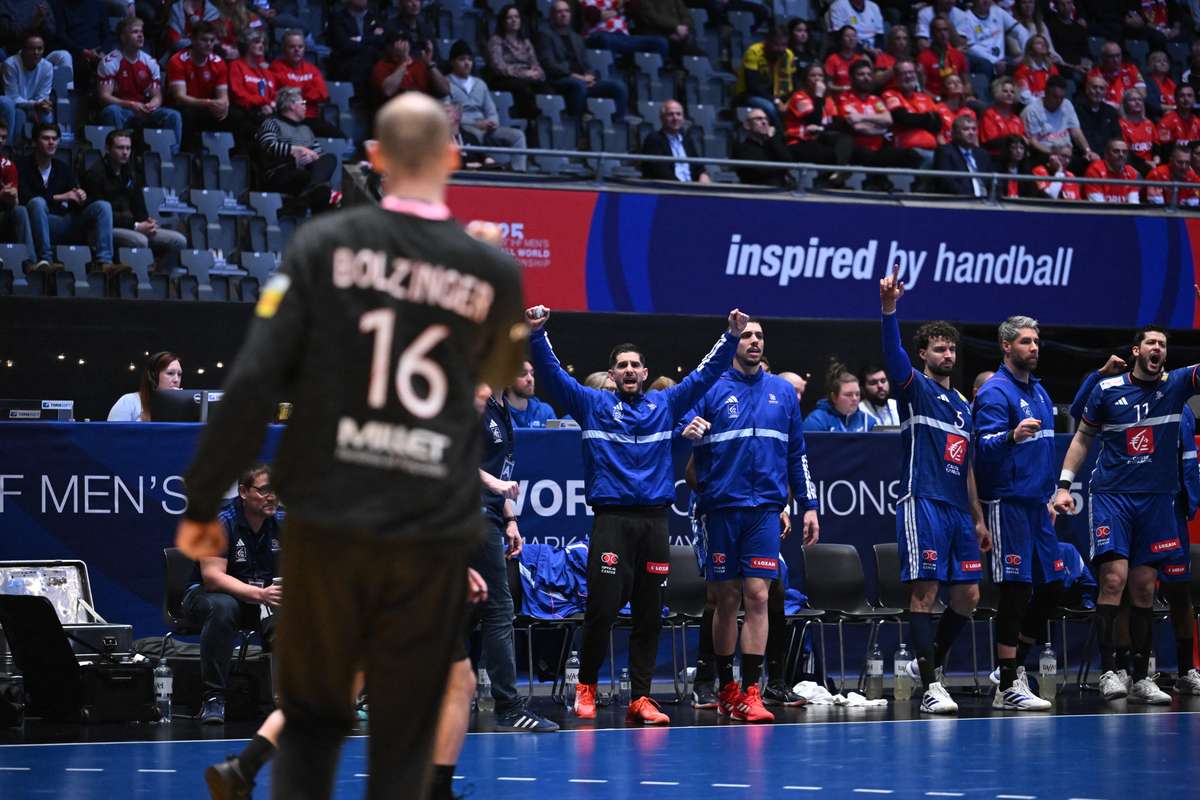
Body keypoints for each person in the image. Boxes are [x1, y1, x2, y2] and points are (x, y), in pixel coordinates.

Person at [174, 91, 527, 800]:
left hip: (328, 522)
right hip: (425, 537)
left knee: (311, 720)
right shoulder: (492, 271)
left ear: (372, 159)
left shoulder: (318, 248)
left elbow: (249, 389)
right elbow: (469, 418)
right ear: (454, 159)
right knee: (402, 735)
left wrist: (203, 505)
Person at [525, 302, 748, 725]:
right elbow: (553, 376)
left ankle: (641, 697)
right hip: (611, 522)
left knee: (650, 613)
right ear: (612, 375)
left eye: (635, 365)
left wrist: (732, 337)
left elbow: (703, 376)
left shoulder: (665, 404)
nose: (629, 370)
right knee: (603, 610)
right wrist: (537, 335)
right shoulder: (591, 404)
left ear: (645, 373)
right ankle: (587, 686)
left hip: (654, 523)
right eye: (621, 365)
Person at [680, 319, 820, 723]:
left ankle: (752, 691)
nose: (754, 341)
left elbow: (797, 455)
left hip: (765, 511)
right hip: (722, 509)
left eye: (759, 336)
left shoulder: (782, 392)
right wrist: (686, 427)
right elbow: (674, 416)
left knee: (759, 595)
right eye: (747, 336)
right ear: (732, 343)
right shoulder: (710, 387)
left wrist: (807, 505)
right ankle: (726, 686)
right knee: (727, 599)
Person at [1052, 324, 1197, 705]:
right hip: (1112, 496)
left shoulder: (1177, 385)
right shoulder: (1106, 389)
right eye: (1151, 343)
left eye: (1163, 345)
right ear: (1136, 351)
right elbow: (1083, 438)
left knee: (1145, 587)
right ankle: (1108, 672)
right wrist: (1064, 485)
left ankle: (1139, 677)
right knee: (1113, 580)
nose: (1158, 349)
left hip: (1156, 500)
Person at [880, 265, 990, 715]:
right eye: (938, 348)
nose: (946, 354)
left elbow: (966, 467)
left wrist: (978, 517)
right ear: (923, 353)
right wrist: (889, 310)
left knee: (968, 596)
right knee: (924, 592)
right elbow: (892, 358)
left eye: (951, 349)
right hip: (921, 500)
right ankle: (930, 686)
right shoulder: (914, 389)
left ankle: (929, 667)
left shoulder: (964, 406)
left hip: (957, 510)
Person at [972, 317, 1060, 711]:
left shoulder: (1039, 391)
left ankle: (1011, 670)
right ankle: (1008, 684)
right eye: (1026, 342)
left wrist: (1052, 495)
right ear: (1006, 346)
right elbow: (982, 447)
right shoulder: (994, 392)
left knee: (1054, 584)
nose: (1034, 347)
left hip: (1038, 506)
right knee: (1016, 589)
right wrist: (1010, 435)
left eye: (1037, 341)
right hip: (1008, 502)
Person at [472, 383, 560, 731]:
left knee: (468, 608)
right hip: (467, 514)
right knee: (498, 608)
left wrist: (510, 518)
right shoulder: (475, 395)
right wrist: (491, 486)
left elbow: (501, 468)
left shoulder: (501, 403)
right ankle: (509, 706)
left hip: (490, 515)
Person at [182, 463, 284, 724]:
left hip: (256, 599)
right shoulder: (220, 522)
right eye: (264, 491)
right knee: (224, 607)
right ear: (243, 492)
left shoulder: (281, 523)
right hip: (205, 598)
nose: (272, 496)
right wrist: (260, 595)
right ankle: (213, 698)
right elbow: (213, 578)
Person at [18, 123, 122, 275]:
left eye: (55, 138)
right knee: (37, 203)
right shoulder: (23, 166)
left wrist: (81, 197)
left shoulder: (63, 168)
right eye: (46, 138)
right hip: (40, 222)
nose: (51, 142)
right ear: (35, 142)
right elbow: (24, 198)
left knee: (103, 206)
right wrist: (62, 197)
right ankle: (45, 260)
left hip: (65, 221)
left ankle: (104, 262)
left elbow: (76, 201)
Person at [83, 129, 187, 266]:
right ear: (107, 149)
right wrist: (136, 226)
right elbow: (102, 216)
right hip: (106, 230)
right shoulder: (95, 174)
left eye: (128, 148)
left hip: (133, 226)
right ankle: (128, 279)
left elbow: (138, 204)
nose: (125, 152)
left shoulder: (131, 172)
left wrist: (147, 222)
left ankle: (159, 279)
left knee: (178, 240)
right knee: (140, 241)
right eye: (120, 148)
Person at [97, 17, 183, 149]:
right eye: (134, 32)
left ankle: (170, 159)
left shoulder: (150, 62)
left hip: (143, 110)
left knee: (173, 116)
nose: (140, 35)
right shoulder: (110, 62)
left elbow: (157, 95)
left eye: (141, 32)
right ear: (123, 37)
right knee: (111, 111)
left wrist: (151, 105)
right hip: (122, 110)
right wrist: (130, 104)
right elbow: (104, 97)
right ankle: (117, 151)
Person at [535, 0, 629, 119]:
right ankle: (576, 125)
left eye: (567, 11)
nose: (564, 14)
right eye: (559, 12)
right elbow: (549, 65)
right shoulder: (544, 35)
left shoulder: (576, 37)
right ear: (552, 15)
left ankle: (615, 126)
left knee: (618, 86)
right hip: (560, 80)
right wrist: (577, 76)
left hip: (582, 80)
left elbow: (586, 64)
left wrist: (590, 76)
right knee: (578, 86)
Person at [255, 87, 340, 214]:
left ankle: (310, 192)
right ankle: (312, 191)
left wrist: (311, 157)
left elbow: (319, 154)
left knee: (329, 159)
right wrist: (295, 151)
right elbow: (267, 144)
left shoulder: (306, 129)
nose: (305, 107)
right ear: (292, 105)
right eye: (303, 103)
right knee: (317, 188)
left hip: (307, 173)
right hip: (282, 171)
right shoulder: (272, 122)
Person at [447, 41, 528, 173]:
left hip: (487, 129)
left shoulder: (480, 84)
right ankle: (485, 166)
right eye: (462, 59)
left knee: (518, 136)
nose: (467, 63)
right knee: (471, 135)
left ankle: (518, 172)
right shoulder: (446, 84)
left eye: (469, 59)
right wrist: (476, 123)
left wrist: (492, 123)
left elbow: (491, 110)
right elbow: (449, 116)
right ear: (452, 62)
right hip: (465, 129)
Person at [836, 58, 924, 175]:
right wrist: (880, 128)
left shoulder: (875, 100)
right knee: (866, 155)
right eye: (861, 74)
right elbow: (857, 127)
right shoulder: (843, 98)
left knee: (912, 156)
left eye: (868, 74)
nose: (866, 78)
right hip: (858, 149)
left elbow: (888, 120)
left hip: (878, 149)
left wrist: (862, 117)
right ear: (851, 78)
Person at [165, 21, 232, 152]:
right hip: (182, 106)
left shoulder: (218, 63)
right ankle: (187, 157)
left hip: (205, 106)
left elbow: (223, 96)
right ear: (192, 40)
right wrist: (209, 103)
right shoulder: (178, 61)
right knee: (188, 115)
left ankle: (226, 160)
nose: (209, 44)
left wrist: (224, 107)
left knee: (234, 116)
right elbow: (179, 97)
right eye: (204, 40)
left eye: (212, 40)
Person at [270, 29, 345, 138]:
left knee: (340, 138)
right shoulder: (275, 68)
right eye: (292, 47)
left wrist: (297, 95)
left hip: (310, 118)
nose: (297, 50)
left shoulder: (312, 69)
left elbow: (322, 94)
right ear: (284, 49)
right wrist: (306, 91)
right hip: (287, 119)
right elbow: (278, 96)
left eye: (300, 47)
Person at [782, 64, 854, 168]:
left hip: (819, 138)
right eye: (813, 75)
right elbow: (813, 120)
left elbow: (834, 123)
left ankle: (838, 173)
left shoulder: (828, 100)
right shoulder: (799, 97)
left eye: (820, 76)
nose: (817, 79)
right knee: (828, 154)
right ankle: (837, 173)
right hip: (799, 141)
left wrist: (821, 128)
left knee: (846, 140)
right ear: (806, 79)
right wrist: (818, 96)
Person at [486, 4, 548, 120]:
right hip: (505, 78)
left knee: (547, 89)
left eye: (516, 17)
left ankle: (545, 124)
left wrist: (537, 73)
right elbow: (498, 67)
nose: (514, 20)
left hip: (527, 77)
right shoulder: (496, 40)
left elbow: (535, 63)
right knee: (524, 89)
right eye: (510, 18)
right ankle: (531, 122)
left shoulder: (525, 41)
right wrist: (524, 74)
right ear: (503, 21)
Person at [881, 60, 944, 168]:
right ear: (896, 78)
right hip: (908, 150)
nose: (908, 76)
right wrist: (927, 118)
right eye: (904, 73)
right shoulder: (890, 94)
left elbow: (937, 122)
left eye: (911, 72)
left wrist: (916, 119)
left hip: (933, 149)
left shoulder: (924, 97)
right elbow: (903, 119)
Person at [1021, 74, 1095, 162]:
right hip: (1044, 155)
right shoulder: (1032, 111)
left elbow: (1076, 132)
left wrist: (1088, 151)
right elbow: (1033, 141)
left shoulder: (1067, 104)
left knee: (1089, 161)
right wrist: (1054, 153)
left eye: (1062, 97)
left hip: (1067, 154)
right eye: (1055, 97)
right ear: (1046, 93)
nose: (1059, 101)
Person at [370, 29, 450, 107]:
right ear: (388, 47)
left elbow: (445, 90)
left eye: (405, 41)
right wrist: (403, 62)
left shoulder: (420, 64)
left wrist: (429, 63)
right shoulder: (381, 66)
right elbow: (388, 91)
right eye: (397, 42)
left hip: (423, 110)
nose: (402, 46)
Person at [327, 0, 389, 95]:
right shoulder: (337, 18)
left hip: (372, 61)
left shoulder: (374, 17)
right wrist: (372, 37)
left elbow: (382, 40)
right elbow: (345, 45)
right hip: (346, 63)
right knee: (367, 55)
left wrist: (360, 39)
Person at [227, 29, 277, 146]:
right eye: (256, 42)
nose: (261, 45)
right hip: (245, 114)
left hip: (265, 114)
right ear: (246, 45)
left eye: (263, 43)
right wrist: (263, 103)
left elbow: (273, 96)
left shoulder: (266, 72)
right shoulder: (235, 66)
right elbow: (238, 95)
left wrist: (271, 104)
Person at [641, 99, 709, 183]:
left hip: (691, 188)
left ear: (683, 118)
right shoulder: (654, 139)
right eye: (670, 114)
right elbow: (661, 173)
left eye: (678, 114)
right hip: (669, 190)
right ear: (662, 118)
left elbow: (699, 167)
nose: (675, 118)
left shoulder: (687, 140)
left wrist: (703, 175)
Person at [736, 28, 794, 126]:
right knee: (770, 108)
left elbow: (792, 81)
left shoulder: (788, 55)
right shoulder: (754, 52)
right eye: (776, 44)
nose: (780, 49)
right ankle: (780, 134)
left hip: (778, 95)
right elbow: (752, 86)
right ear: (767, 42)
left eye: (783, 45)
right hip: (750, 95)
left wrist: (789, 101)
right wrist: (776, 101)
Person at [577, 0, 669, 59]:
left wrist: (622, 6)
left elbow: (635, 10)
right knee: (605, 39)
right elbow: (593, 16)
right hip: (598, 35)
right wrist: (618, 11)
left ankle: (646, 80)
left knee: (660, 42)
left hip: (623, 37)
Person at [108, 350, 182, 421]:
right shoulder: (128, 402)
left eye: (179, 374)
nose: (176, 380)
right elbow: (112, 433)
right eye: (170, 373)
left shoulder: (180, 406)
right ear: (153, 376)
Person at [951, 0, 1019, 77]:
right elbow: (970, 48)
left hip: (1003, 60)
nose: (986, 1)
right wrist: (995, 61)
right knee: (986, 66)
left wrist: (1026, 51)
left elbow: (1019, 31)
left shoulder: (998, 11)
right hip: (984, 62)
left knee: (1020, 64)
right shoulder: (966, 18)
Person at [932, 114, 995, 197]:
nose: (971, 133)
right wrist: (969, 198)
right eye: (966, 129)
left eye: (974, 129)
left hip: (985, 203)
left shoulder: (982, 154)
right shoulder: (945, 152)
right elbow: (946, 182)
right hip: (960, 201)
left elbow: (993, 181)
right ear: (955, 133)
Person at [803, 361, 876, 431]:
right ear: (834, 397)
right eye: (848, 395)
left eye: (857, 394)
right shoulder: (817, 421)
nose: (855, 398)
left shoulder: (868, 422)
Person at [0, 121, 35, 266]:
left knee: (20, 211)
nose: (0, 141)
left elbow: (15, 203)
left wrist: (12, 197)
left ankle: (29, 262)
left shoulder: (8, 166)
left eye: (3, 137)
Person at [628, 0, 703, 64]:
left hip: (678, 32)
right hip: (656, 32)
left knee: (690, 36)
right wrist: (675, 27)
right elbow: (652, 18)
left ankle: (689, 67)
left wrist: (684, 27)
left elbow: (686, 15)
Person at [731, 107, 792, 186]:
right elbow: (760, 171)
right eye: (758, 119)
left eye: (766, 119)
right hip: (756, 192)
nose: (764, 122)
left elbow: (788, 162)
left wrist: (772, 138)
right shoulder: (741, 148)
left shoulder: (774, 142)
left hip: (781, 191)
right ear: (747, 125)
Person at [4, 32, 52, 129]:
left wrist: (44, 103)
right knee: (19, 114)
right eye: (31, 49)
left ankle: (46, 141)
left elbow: (43, 95)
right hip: (15, 106)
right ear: (23, 50)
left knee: (47, 112)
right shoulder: (11, 64)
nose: (36, 53)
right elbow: (12, 97)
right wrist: (35, 104)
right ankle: (12, 144)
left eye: (40, 49)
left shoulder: (47, 66)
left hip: (36, 106)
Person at [917, 16, 968, 99]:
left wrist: (963, 95)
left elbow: (967, 83)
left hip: (958, 99)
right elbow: (921, 89)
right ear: (932, 34)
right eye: (939, 30)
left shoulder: (958, 55)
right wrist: (938, 99)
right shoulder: (924, 58)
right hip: (936, 100)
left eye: (945, 30)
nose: (943, 33)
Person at [1077, 74, 1124, 163]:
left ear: (1105, 92)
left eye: (1101, 88)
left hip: (1108, 158)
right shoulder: (1077, 110)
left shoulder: (1111, 112)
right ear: (1087, 90)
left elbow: (1116, 137)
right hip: (1084, 156)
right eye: (1094, 87)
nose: (1098, 91)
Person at [1087, 42, 1146, 109]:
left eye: (1118, 56)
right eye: (1111, 57)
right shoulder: (1094, 73)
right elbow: (1096, 98)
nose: (1116, 60)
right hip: (1108, 112)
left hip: (1130, 110)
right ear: (1103, 57)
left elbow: (1142, 94)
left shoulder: (1131, 68)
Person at [979, 76, 1026, 156]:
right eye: (1005, 91)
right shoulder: (989, 114)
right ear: (998, 92)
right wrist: (1013, 140)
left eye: (1012, 92)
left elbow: (1022, 142)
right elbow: (991, 142)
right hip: (995, 157)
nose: (1009, 94)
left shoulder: (1017, 119)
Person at [1083, 138, 1140, 203]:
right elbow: (1098, 205)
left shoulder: (1131, 172)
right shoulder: (1095, 170)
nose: (1121, 155)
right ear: (1106, 155)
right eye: (1116, 151)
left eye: (1124, 152)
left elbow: (1133, 203)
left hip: (1123, 211)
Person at [504, 361, 558, 428]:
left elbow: (558, 437)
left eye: (532, 374)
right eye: (523, 374)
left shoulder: (546, 412)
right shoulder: (497, 413)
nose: (530, 379)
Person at [1121, 89, 1159, 175]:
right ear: (1125, 104)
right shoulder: (1121, 124)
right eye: (1132, 100)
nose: (1137, 102)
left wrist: (1156, 159)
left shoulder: (1149, 123)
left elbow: (1156, 146)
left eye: (1139, 99)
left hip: (1151, 166)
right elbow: (1126, 153)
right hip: (1131, 166)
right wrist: (1145, 162)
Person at [1013, 34, 1059, 105]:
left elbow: (1057, 90)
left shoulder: (1052, 69)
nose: (1043, 45)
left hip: (1050, 105)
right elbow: (1024, 96)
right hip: (1032, 106)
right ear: (1030, 49)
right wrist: (1042, 104)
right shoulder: (1023, 70)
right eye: (1038, 43)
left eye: (1044, 43)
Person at [1157, 84, 1200, 156]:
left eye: (1189, 95)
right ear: (1175, 99)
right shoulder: (1165, 122)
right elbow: (1164, 148)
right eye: (1182, 96)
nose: (1186, 99)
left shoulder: (1198, 122)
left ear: (1194, 99)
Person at [872, 26, 912, 92]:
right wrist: (894, 69)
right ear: (891, 40)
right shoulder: (883, 57)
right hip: (890, 93)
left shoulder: (910, 60)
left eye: (905, 39)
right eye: (898, 38)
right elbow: (877, 80)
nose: (902, 42)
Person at [824, 25, 861, 93]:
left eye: (854, 36)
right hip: (838, 96)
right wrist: (844, 88)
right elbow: (828, 85)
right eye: (847, 36)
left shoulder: (859, 59)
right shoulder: (832, 59)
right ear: (841, 39)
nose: (851, 39)